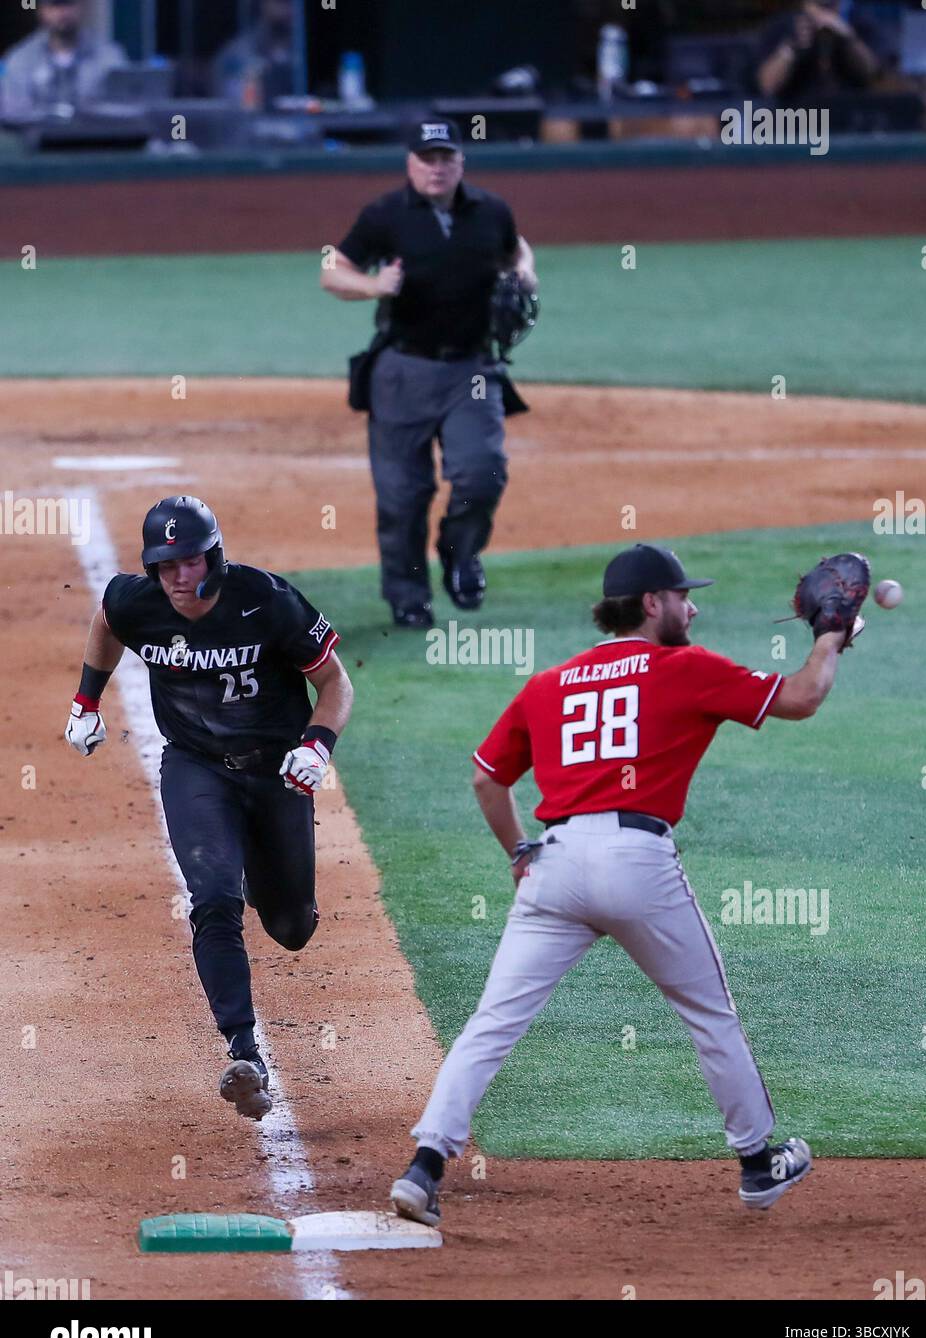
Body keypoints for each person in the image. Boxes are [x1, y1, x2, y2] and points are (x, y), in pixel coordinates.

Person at [390, 543, 862, 1227]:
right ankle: (759, 1164)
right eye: (682, 597)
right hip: (636, 864)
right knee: (710, 1013)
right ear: (651, 604)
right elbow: (803, 696)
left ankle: (424, 1167)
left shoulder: (548, 683)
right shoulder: (687, 667)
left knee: (493, 1022)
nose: (692, 607)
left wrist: (519, 851)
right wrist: (830, 637)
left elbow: (487, 779)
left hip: (554, 863)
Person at [63, 496, 353, 1121]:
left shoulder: (268, 601)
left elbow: (336, 683)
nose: (178, 578)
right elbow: (108, 621)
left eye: (189, 562)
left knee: (291, 927)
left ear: (213, 558)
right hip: (195, 767)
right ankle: (245, 1050)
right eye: (165, 567)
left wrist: (316, 745)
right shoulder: (135, 601)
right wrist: (87, 700)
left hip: (276, 769)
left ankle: (260, 869)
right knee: (213, 898)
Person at [322, 119, 538, 629]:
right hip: (402, 370)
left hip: (473, 368)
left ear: (461, 162)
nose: (437, 168)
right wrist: (375, 286)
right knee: (402, 497)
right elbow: (332, 271)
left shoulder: (491, 211)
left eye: (446, 158)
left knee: (482, 472)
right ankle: (408, 593)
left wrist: (525, 271)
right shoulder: (385, 215)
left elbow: (517, 249)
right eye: (427, 159)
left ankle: (461, 555)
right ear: (410, 163)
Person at [0, 0, 128, 121]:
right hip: (37, 140)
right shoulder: (20, 58)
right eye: (55, 5)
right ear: (41, 11)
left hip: (96, 139)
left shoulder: (109, 55)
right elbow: (14, 114)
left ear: (82, 7)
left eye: (69, 4)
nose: (63, 13)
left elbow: (124, 108)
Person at [756, 1, 881, 103]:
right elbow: (767, 87)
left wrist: (848, 37)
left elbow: (875, 77)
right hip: (798, 121)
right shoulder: (783, 27)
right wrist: (791, 47)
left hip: (851, 119)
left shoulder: (859, 23)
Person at [212, 0, 297, 109]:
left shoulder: (305, 50)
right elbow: (236, 108)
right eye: (281, 2)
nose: (289, 9)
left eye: (293, 3)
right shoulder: (238, 53)